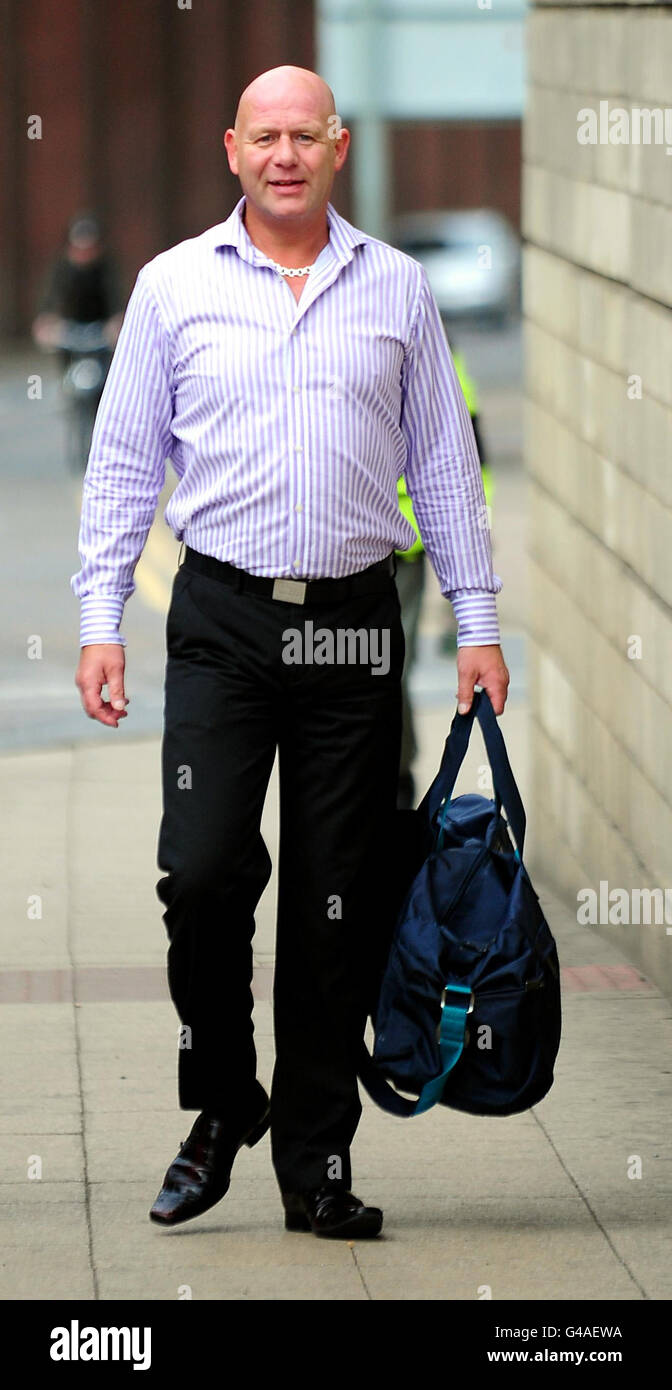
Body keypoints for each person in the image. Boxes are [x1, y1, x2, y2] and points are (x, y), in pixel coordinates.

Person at [72, 66, 509, 1241]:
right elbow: (121, 466)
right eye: (263, 137)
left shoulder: (401, 290)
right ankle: (224, 1105)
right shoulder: (173, 289)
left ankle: (316, 1158)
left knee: (338, 904)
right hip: (221, 620)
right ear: (231, 150)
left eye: (302, 137)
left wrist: (476, 623)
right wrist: (99, 617)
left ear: (336, 146)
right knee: (204, 872)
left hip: (358, 624)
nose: (283, 155)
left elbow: (445, 468)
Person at [395, 346, 493, 808]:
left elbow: (465, 461)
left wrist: (471, 558)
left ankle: (395, 780)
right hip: (328, 550)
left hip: (400, 550)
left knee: (384, 670)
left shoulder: (432, 353)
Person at [32, 213, 124, 352]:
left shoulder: (107, 268)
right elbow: (52, 297)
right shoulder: (62, 269)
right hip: (70, 329)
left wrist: (117, 322)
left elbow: (115, 296)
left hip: (101, 330)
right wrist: (47, 321)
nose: (84, 254)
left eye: (89, 249)